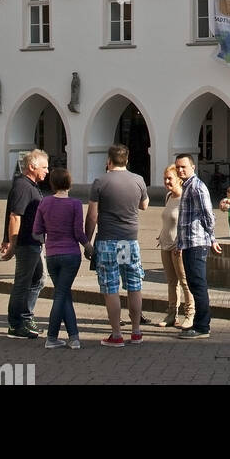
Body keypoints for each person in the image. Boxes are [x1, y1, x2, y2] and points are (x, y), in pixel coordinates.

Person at [84, 144, 149, 346]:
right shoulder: (138, 180)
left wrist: (87, 240)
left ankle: (117, 334)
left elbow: (93, 214)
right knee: (133, 285)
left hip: (107, 241)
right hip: (129, 240)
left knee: (111, 287)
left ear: (108, 161)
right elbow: (144, 205)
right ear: (127, 160)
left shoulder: (100, 182)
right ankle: (136, 332)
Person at [32, 166, 89, 349]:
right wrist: (89, 247)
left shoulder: (45, 203)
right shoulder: (75, 204)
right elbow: (78, 232)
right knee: (61, 295)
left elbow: (36, 231)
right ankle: (53, 336)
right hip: (71, 254)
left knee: (62, 294)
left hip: (52, 254)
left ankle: (73, 336)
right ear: (69, 183)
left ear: (52, 183)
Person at [0, 149, 49, 337]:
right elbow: (14, 216)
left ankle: (26, 317)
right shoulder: (23, 186)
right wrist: (11, 244)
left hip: (34, 241)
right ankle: (16, 323)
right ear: (32, 166)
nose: (47, 170)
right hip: (26, 242)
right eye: (44, 167)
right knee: (22, 283)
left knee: (38, 278)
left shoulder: (30, 185)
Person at [174, 152, 221, 338]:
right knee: (194, 284)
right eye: (177, 166)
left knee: (198, 284)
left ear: (193, 167)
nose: (180, 170)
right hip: (188, 242)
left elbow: (208, 215)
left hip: (197, 242)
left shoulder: (197, 187)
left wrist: (212, 237)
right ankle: (199, 323)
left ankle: (203, 326)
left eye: (183, 166)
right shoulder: (187, 186)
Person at [156, 164, 194, 329]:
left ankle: (190, 314)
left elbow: (188, 223)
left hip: (179, 246)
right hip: (165, 243)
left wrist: (182, 241)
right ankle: (172, 314)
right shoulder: (168, 197)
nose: (166, 181)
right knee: (171, 282)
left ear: (178, 179)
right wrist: (161, 234)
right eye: (165, 178)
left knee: (185, 281)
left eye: (169, 178)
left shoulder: (185, 198)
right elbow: (168, 220)